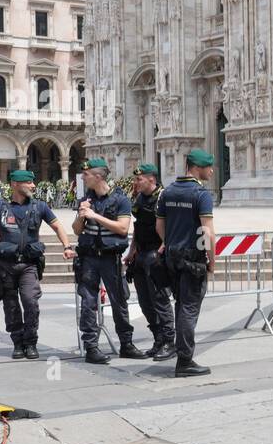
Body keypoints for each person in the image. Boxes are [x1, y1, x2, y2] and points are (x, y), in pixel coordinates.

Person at [0, 170, 75, 360]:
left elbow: (57, 225)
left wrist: (67, 246)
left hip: (29, 265)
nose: (33, 185)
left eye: (33, 182)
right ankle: (17, 342)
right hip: (5, 265)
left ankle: (30, 341)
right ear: (15, 184)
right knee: (11, 305)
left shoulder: (40, 206)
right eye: (28, 183)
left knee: (31, 301)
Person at [73, 158, 145, 364]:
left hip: (110, 258)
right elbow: (77, 230)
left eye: (86, 175)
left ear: (98, 176)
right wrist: (81, 215)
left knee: (119, 301)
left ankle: (126, 343)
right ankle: (91, 347)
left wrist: (94, 215)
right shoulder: (86, 199)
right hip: (89, 258)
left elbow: (123, 228)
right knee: (88, 303)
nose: (83, 178)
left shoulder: (120, 199)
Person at [155, 149, 217, 377]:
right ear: (198, 167)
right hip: (192, 260)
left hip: (172, 258)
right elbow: (207, 232)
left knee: (181, 306)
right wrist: (212, 260)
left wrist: (169, 243)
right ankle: (185, 360)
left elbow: (159, 226)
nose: (211, 170)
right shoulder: (201, 195)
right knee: (189, 310)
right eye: (209, 166)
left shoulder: (168, 192)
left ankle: (182, 354)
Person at [125, 164, 176, 360]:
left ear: (152, 180)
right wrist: (131, 251)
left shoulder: (164, 197)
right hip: (141, 254)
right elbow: (139, 227)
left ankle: (169, 342)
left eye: (139, 179)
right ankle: (158, 339)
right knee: (145, 302)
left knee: (160, 300)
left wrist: (165, 247)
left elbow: (170, 226)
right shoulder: (140, 198)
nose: (135, 183)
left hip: (157, 255)